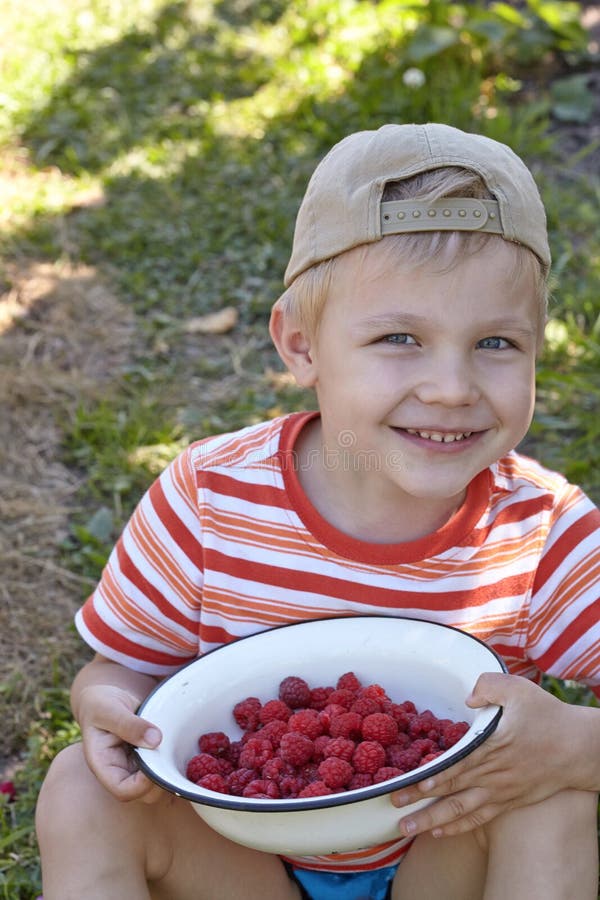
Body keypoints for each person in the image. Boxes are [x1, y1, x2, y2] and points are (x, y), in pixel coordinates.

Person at [36, 123, 600, 900]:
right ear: (300, 347)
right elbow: (121, 669)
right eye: (400, 337)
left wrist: (577, 744)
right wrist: (107, 710)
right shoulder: (210, 498)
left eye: (497, 343)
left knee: (555, 797)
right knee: (79, 786)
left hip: (445, 853)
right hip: (240, 862)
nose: (451, 387)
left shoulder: (541, 536)